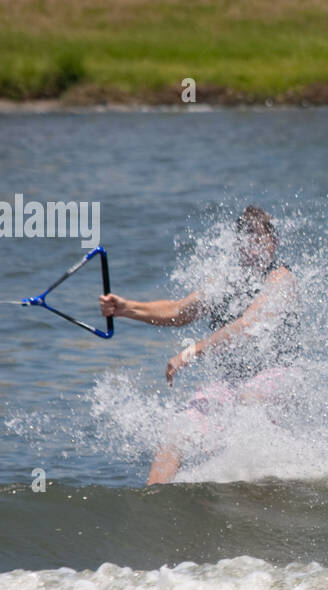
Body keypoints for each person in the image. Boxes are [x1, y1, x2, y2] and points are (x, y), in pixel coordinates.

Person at [99, 206, 300, 484]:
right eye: (245, 238)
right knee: (174, 434)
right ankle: (152, 509)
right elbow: (178, 311)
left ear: (273, 243)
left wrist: (192, 351)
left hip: (278, 378)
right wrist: (126, 308)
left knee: (249, 399)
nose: (251, 246)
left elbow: (247, 324)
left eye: (259, 238)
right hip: (231, 383)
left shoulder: (281, 279)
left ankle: (258, 493)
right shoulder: (226, 281)